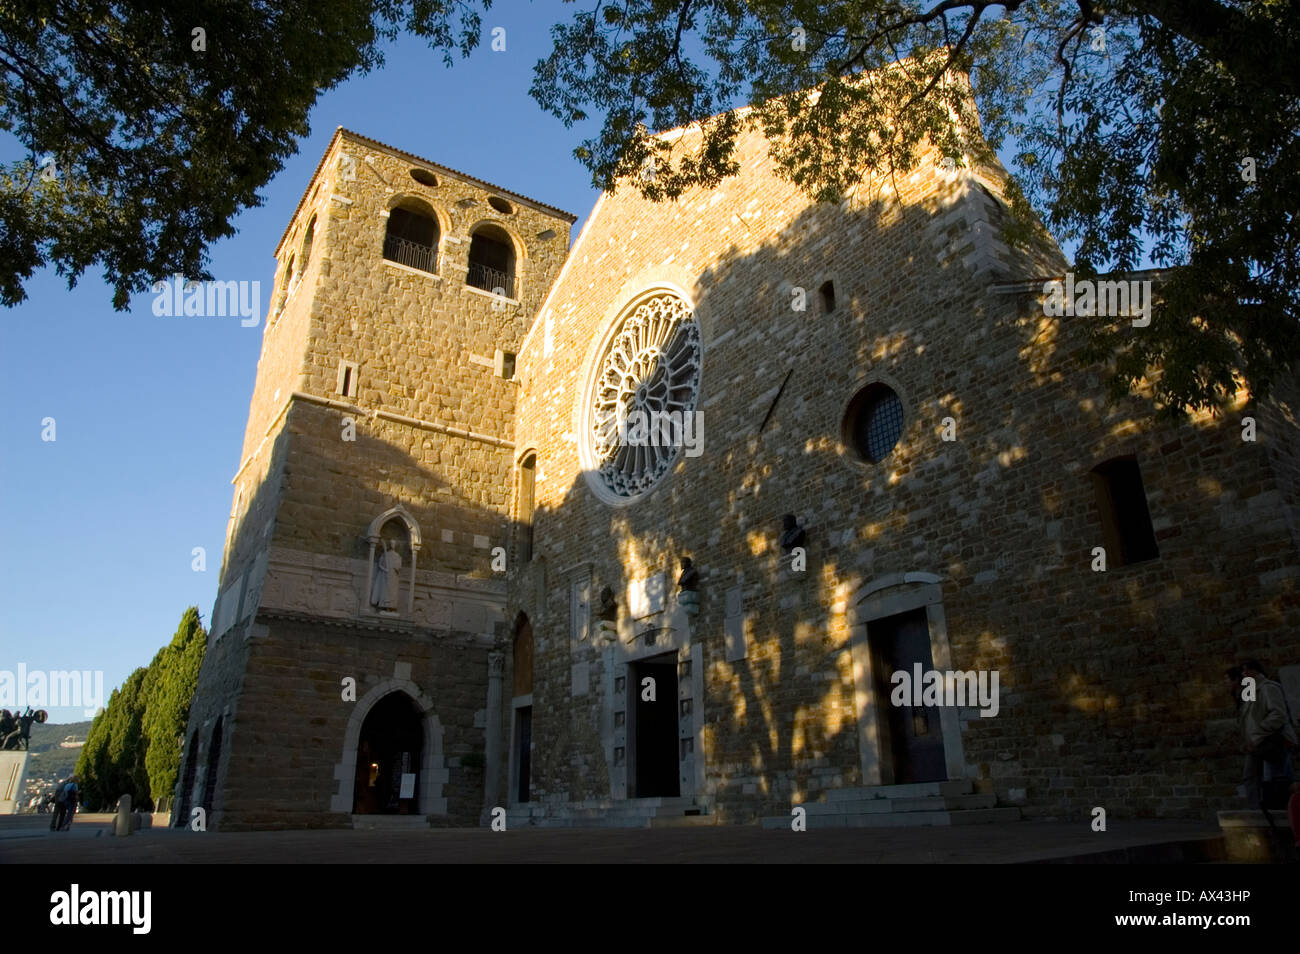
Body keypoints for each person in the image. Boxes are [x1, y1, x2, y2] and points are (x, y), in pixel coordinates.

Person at [1236, 659, 1297, 808]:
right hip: (1256, 742)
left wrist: (1258, 733)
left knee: (1278, 778)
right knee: (1251, 777)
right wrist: (1248, 739)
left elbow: (1278, 715)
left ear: (1255, 671)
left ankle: (1283, 811)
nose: (1244, 674)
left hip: (1272, 740)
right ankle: (1258, 811)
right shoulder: (1250, 692)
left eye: (1247, 670)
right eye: (1243, 671)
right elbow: (1249, 720)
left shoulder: (1269, 688)